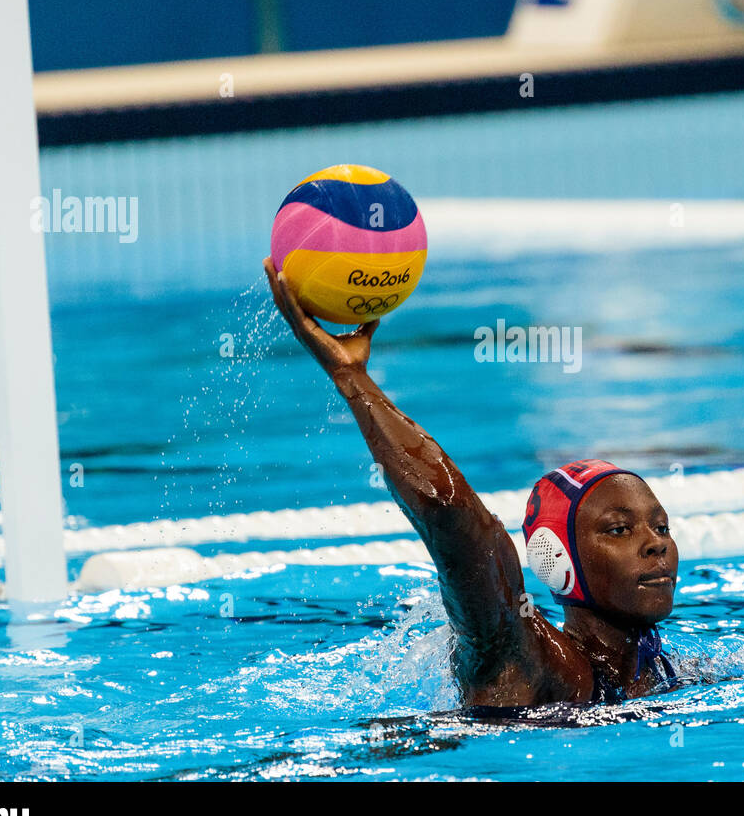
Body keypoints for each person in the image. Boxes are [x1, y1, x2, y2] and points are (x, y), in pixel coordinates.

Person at [265, 259, 680, 707]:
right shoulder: (531, 660)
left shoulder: (668, 670)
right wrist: (352, 378)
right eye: (619, 529)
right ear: (559, 560)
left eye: (661, 527)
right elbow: (452, 517)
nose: (656, 544)